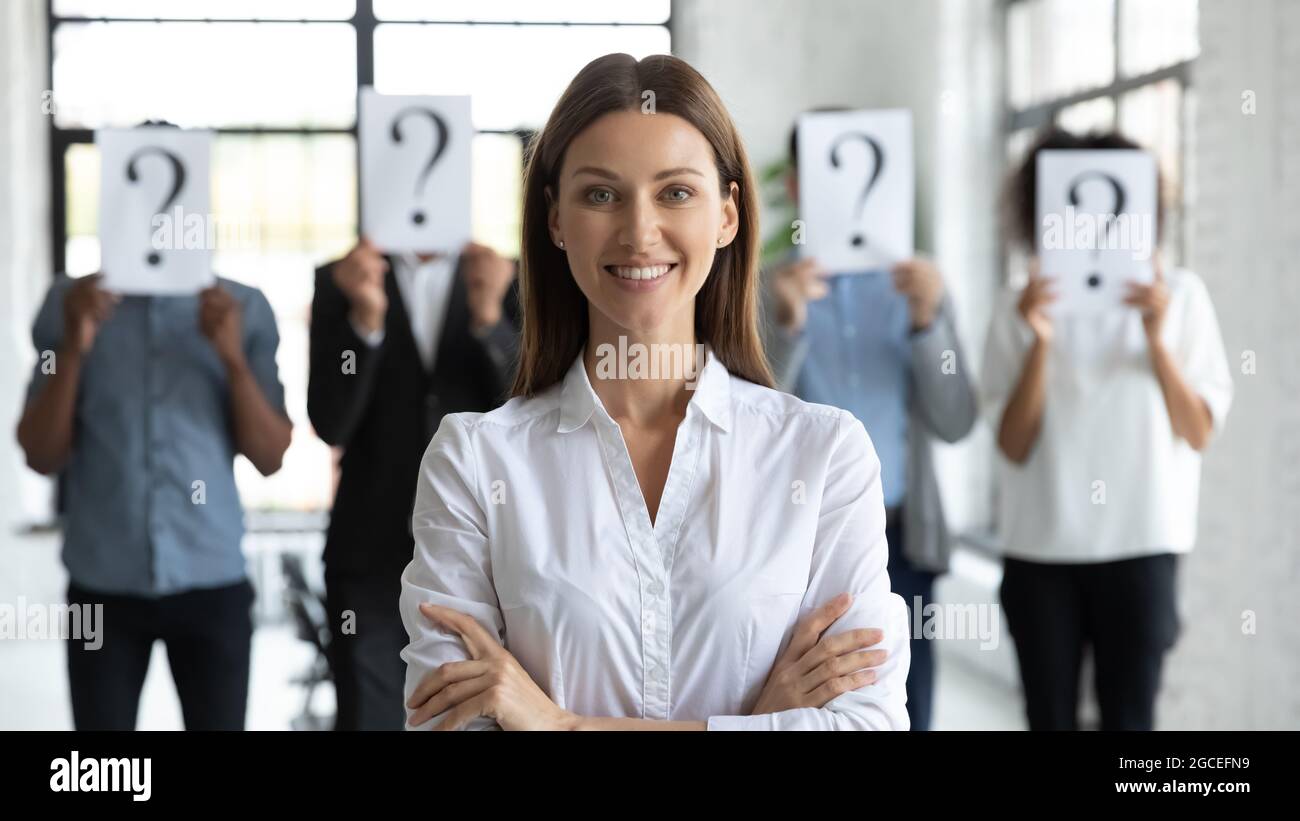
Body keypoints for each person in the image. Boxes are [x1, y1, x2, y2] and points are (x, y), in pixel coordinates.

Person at [398, 53, 911, 731]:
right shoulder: (474, 460)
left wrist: (560, 724)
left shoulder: (823, 453)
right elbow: (447, 723)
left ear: (727, 214)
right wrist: (762, 718)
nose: (640, 232)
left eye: (675, 192)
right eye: (601, 194)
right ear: (555, 219)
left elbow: (867, 724)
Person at [982, 128, 1234, 730]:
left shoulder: (1181, 298)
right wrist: (1039, 342)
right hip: (1041, 551)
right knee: (1049, 717)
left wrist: (1157, 343)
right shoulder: (1018, 305)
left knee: (1132, 722)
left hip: (1142, 543)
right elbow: (1013, 445)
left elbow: (1198, 430)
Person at [763, 111, 978, 731]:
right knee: (806, 708)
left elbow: (956, 418)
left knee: (907, 708)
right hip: (793, 541)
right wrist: (786, 326)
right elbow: (745, 419)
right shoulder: (765, 287)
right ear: (798, 188)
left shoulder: (922, 288)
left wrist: (928, 322)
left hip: (901, 535)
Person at [16, 269, 291, 730]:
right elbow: (41, 453)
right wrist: (72, 349)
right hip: (101, 585)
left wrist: (233, 359)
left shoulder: (242, 307)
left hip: (212, 577)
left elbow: (271, 457)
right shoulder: (70, 303)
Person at [308, 235, 519, 731]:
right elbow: (331, 422)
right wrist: (365, 323)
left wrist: (491, 322)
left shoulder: (505, 274)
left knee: (472, 719)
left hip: (484, 552)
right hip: (369, 556)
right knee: (369, 716)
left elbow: (529, 412)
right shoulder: (340, 278)